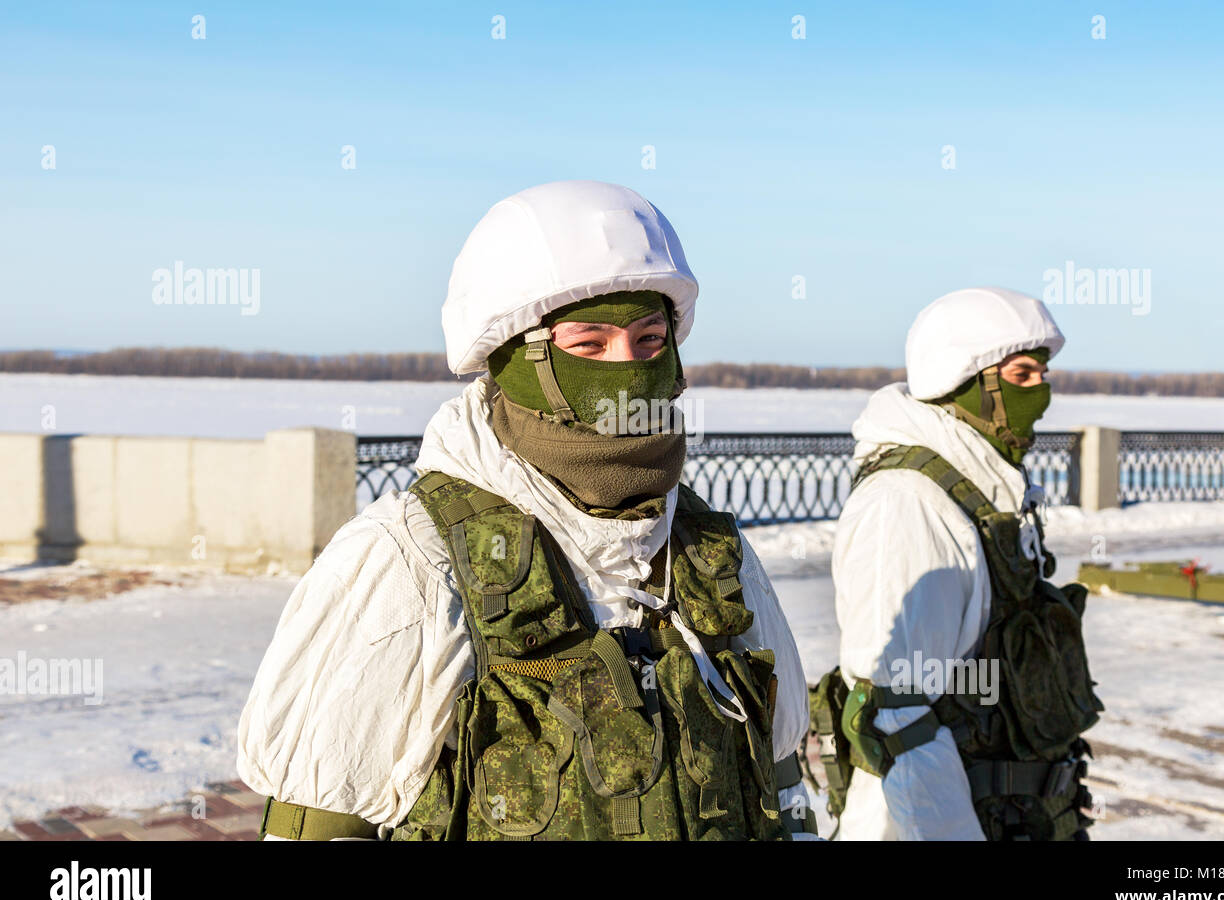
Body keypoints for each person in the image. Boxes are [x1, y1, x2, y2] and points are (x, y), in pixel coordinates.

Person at [237, 180, 813, 840]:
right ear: (513, 359)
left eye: (650, 340)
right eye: (590, 345)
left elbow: (781, 787)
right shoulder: (407, 560)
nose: (628, 371)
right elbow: (317, 823)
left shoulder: (708, 556)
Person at [825, 286, 1104, 841]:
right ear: (970, 385)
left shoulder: (982, 492)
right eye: (1024, 376)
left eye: (1045, 377)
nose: (1042, 396)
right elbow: (897, 715)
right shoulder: (907, 504)